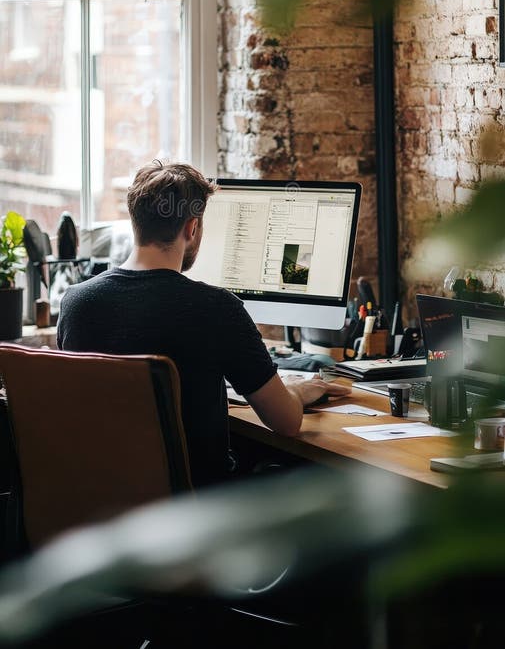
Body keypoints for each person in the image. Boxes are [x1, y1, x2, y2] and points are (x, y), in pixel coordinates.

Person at [57, 161, 350, 487]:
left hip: (99, 506)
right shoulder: (217, 308)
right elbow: (287, 422)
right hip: (194, 515)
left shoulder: (75, 302)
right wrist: (295, 391)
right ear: (192, 228)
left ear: (135, 221)